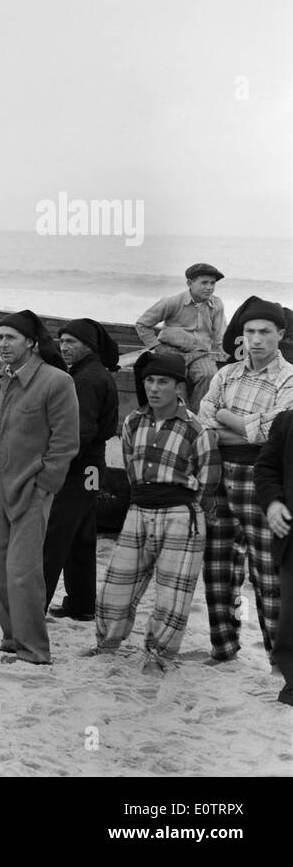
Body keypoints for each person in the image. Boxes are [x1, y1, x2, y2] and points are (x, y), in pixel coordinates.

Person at [87, 353, 221, 675]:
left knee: (172, 596)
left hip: (181, 513)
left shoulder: (197, 430)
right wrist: (141, 502)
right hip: (139, 509)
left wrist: (187, 514)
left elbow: (208, 482)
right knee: (116, 585)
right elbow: (131, 466)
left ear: (179, 388)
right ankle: (107, 643)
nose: (154, 388)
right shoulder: (133, 421)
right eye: (149, 380)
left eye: (163, 382)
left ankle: (159, 656)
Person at [198, 297, 293, 665]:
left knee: (269, 575)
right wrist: (244, 427)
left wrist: (226, 417)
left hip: (262, 478)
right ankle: (223, 648)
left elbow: (275, 432)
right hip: (219, 473)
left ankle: (277, 658)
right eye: (250, 331)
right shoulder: (225, 374)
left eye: (265, 332)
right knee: (218, 567)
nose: (256, 339)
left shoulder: (288, 378)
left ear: (280, 335)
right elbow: (204, 420)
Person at [0, 310, 79, 665]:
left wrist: (44, 486)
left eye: (10, 338)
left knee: (23, 574)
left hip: (32, 491)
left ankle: (34, 650)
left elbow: (66, 442)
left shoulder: (56, 382)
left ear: (31, 343)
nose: (2, 344)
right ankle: (10, 640)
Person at [43, 319, 122, 620]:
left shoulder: (86, 379)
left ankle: (33, 606)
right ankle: (82, 604)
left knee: (55, 536)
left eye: (71, 342)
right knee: (81, 536)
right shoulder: (94, 373)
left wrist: (52, 463)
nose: (64, 347)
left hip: (79, 466)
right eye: (61, 341)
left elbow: (79, 431)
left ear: (89, 346)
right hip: (93, 467)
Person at [135, 263, 227, 411]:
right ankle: (180, 417)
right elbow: (142, 324)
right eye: (204, 282)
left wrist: (226, 350)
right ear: (190, 283)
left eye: (212, 283)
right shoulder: (172, 302)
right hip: (171, 352)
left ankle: (195, 419)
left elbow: (220, 334)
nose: (209, 287)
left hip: (199, 354)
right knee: (177, 382)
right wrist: (156, 347)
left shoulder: (217, 304)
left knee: (210, 375)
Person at [255, 408, 293, 705]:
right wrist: (273, 504)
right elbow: (266, 469)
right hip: (291, 538)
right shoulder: (287, 421)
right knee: (290, 622)